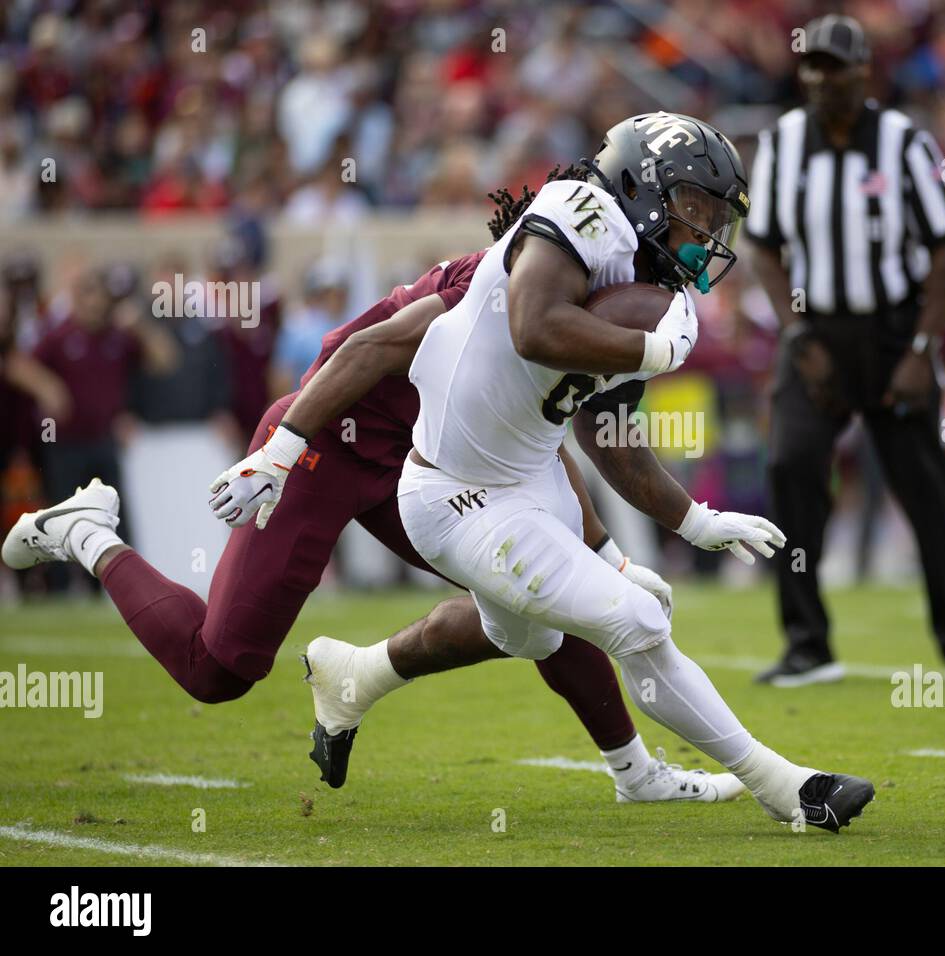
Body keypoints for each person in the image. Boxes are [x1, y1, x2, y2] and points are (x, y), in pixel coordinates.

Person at [1, 172, 744, 805]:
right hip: (325, 442)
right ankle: (86, 533)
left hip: (424, 468)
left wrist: (608, 558)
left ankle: (633, 772)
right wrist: (283, 451)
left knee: (552, 592)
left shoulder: (564, 297)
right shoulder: (494, 293)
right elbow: (363, 347)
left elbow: (536, 452)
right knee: (217, 669)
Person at [278, 112, 875, 832]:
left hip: (532, 478)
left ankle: (356, 675)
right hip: (455, 494)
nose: (707, 232)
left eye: (719, 217)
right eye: (697, 207)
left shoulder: (643, 282)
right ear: (642, 186)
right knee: (637, 620)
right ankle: (788, 788)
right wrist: (649, 351)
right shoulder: (579, 210)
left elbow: (607, 436)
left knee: (527, 636)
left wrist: (694, 522)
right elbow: (533, 327)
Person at [745, 14, 945, 684]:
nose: (822, 79)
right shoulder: (784, 142)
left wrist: (921, 349)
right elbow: (762, 248)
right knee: (791, 465)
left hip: (894, 333)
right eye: (813, 66)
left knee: (927, 487)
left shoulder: (904, 141)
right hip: (817, 334)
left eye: (835, 66)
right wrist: (797, 335)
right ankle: (807, 643)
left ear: (863, 71)